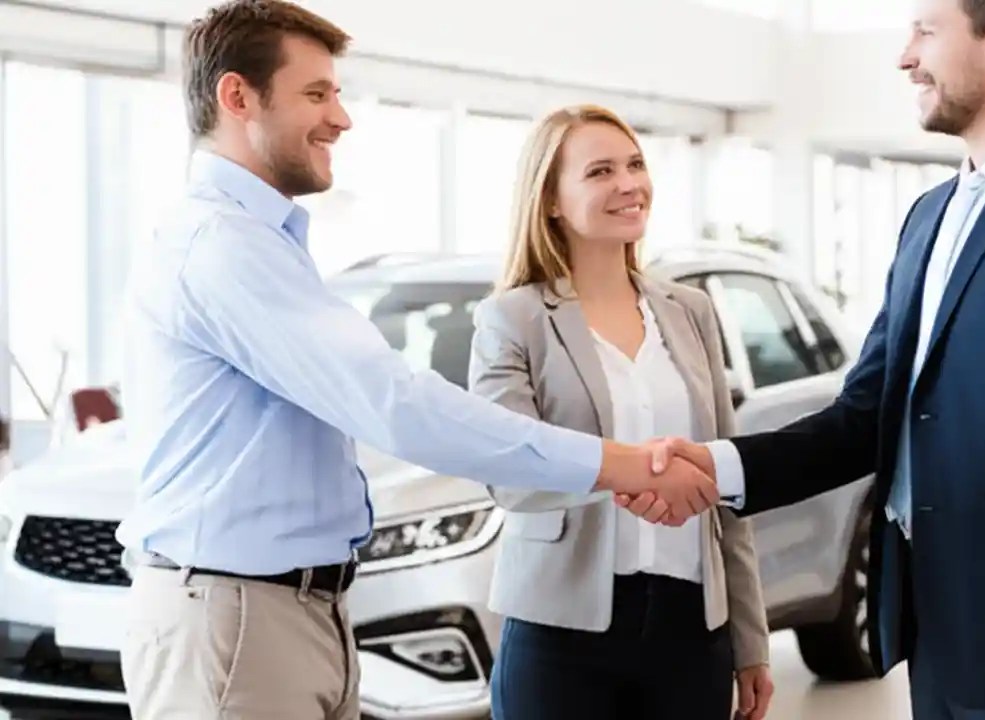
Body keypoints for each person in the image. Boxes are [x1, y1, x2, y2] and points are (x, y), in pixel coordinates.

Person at [115, 3, 720, 719]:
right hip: (239, 615)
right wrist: (626, 464)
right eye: (317, 93)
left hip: (294, 609)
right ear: (237, 97)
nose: (341, 118)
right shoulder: (222, 246)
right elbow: (395, 402)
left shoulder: (263, 241)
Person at [631, 0, 985, 718]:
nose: (904, 56)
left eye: (926, 30)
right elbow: (865, 416)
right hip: (938, 630)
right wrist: (718, 468)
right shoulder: (929, 215)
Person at [469, 105, 774, 720]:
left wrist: (751, 639)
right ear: (551, 199)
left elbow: (724, 487)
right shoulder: (512, 319)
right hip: (561, 631)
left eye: (635, 164)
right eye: (600, 171)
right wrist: (629, 471)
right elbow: (510, 478)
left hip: (692, 629)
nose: (629, 184)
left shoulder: (691, 312)